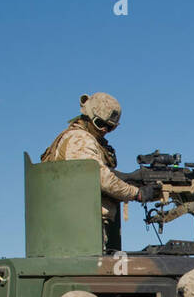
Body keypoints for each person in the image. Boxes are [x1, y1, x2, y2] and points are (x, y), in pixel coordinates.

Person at [40, 92, 160, 250]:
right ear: (88, 116)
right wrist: (136, 193)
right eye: (100, 124)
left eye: (111, 127)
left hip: (80, 226)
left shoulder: (87, 140)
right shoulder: (80, 139)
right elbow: (101, 178)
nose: (105, 130)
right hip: (79, 228)